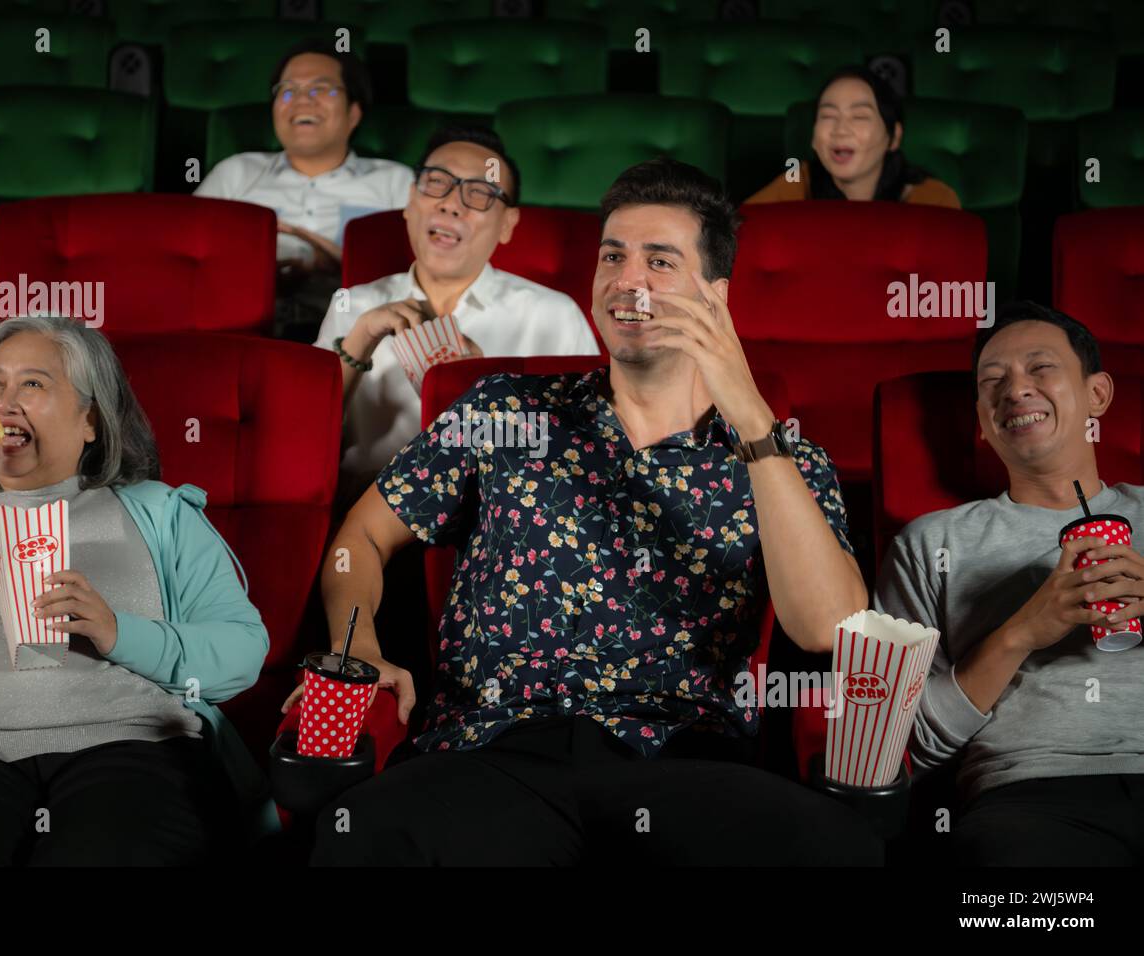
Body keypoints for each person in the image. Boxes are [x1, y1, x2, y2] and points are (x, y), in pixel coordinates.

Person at [291, 158, 881, 866]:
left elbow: (827, 629)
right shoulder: (504, 409)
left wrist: (751, 412)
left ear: (716, 296)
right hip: (494, 750)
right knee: (364, 836)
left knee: (837, 851)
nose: (629, 280)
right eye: (613, 256)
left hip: (685, 762)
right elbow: (359, 538)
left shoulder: (779, 455)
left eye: (660, 261)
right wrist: (356, 644)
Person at [0, 315, 272, 865]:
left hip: (135, 746)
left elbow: (239, 654)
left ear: (90, 420)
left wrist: (119, 633)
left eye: (34, 383)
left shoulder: (159, 511)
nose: (5, 400)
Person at [874, 301, 1144, 866]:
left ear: (1097, 395)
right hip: (1034, 797)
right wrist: (1021, 632)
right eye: (993, 381)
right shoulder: (930, 544)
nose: (1015, 390)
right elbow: (897, 746)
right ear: (981, 418)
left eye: (1041, 368)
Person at [314, 124, 600, 507]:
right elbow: (303, 439)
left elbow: (585, 454)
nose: (451, 204)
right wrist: (359, 341)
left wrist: (489, 398)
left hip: (494, 520)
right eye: (436, 183)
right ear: (410, 201)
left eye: (479, 193)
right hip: (359, 503)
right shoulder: (352, 303)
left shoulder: (553, 315)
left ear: (507, 225)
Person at [195, 39, 413, 340]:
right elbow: (190, 270)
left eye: (321, 89)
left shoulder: (395, 183)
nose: (302, 100)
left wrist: (343, 270)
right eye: (288, 90)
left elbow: (420, 280)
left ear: (354, 112)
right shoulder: (235, 174)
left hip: (361, 345)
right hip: (243, 337)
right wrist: (257, 277)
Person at [746, 66, 960, 207]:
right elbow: (739, 234)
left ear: (894, 137)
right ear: (813, 137)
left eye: (859, 117)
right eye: (828, 116)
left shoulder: (933, 199)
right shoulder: (798, 183)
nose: (841, 129)